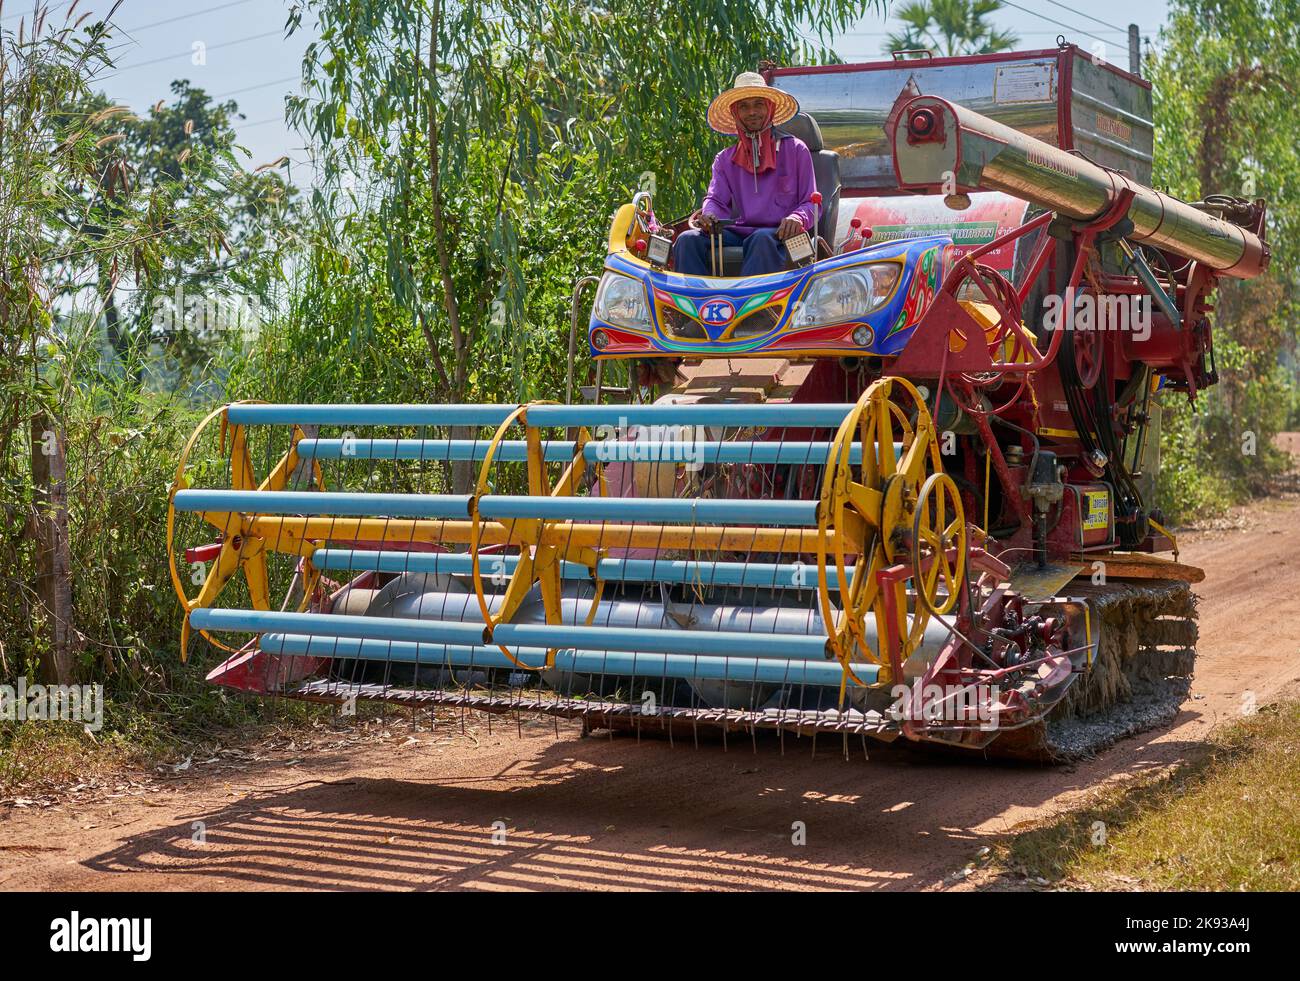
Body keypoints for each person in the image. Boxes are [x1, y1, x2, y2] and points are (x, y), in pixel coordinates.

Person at [673, 72, 818, 277]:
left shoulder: (796, 150)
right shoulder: (724, 159)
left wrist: (797, 217)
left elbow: (811, 202)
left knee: (761, 239)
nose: (752, 112)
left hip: (781, 234)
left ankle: (753, 308)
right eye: (744, 106)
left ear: (770, 108)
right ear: (735, 113)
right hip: (740, 232)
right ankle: (694, 305)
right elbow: (716, 199)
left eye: (758, 104)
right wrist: (709, 214)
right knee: (687, 240)